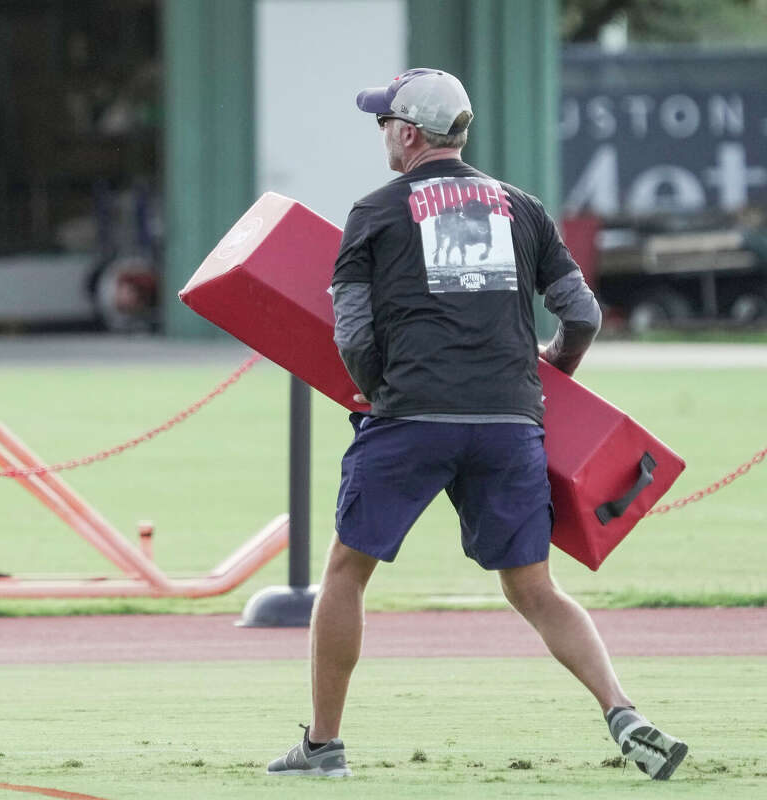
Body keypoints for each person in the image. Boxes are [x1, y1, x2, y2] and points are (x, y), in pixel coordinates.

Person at [266, 68, 688, 781]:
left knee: (345, 571)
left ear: (408, 133)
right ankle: (624, 712)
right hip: (509, 421)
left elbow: (353, 336)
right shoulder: (522, 207)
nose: (381, 136)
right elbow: (581, 314)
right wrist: (552, 369)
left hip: (412, 415)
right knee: (534, 588)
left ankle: (324, 747)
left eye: (383, 124)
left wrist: (380, 394)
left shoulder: (373, 213)